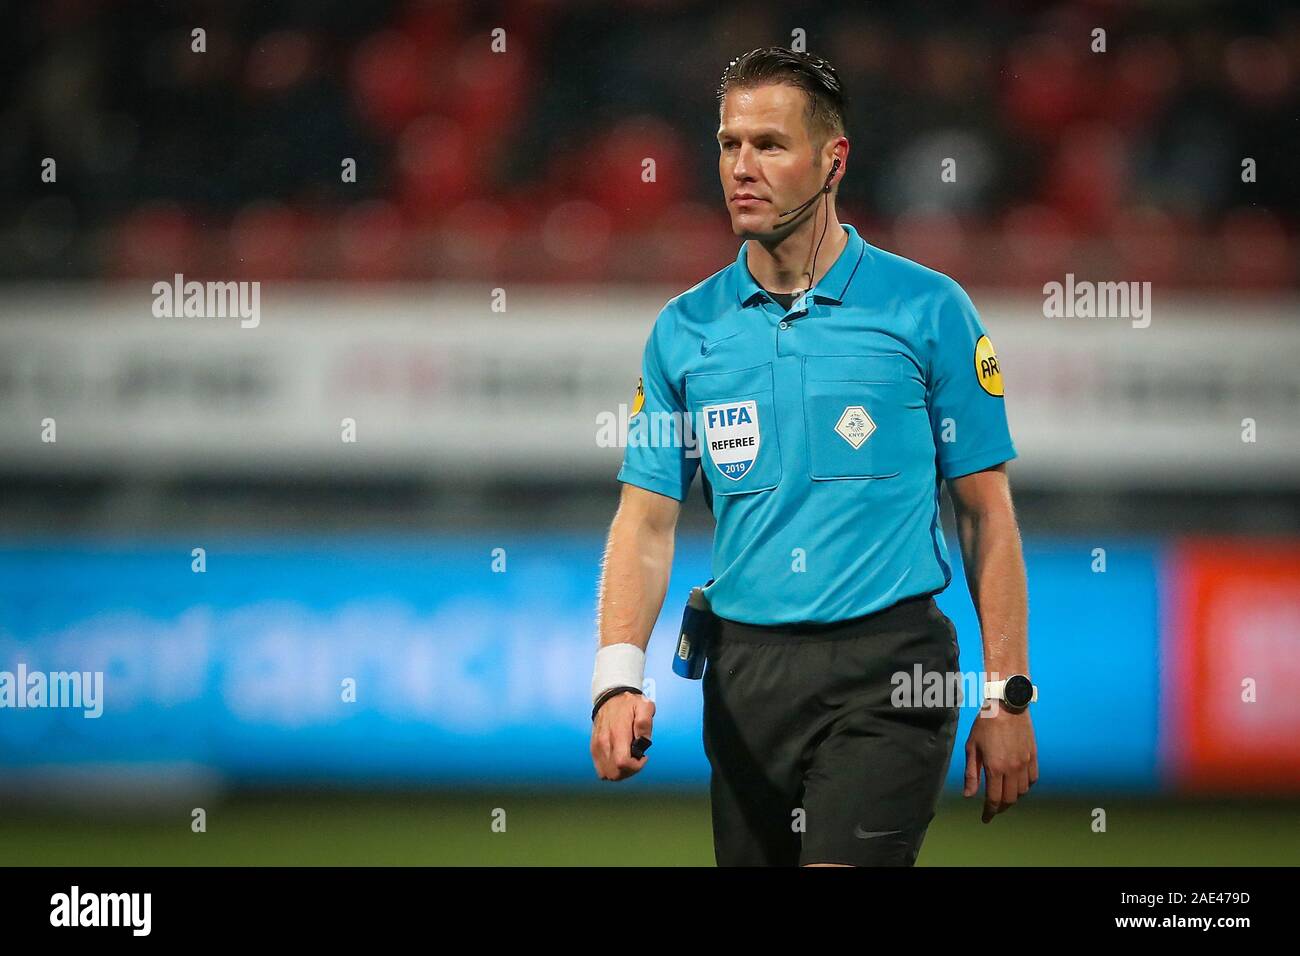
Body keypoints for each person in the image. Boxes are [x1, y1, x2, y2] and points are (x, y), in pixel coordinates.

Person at [590, 47, 1037, 866]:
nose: (741, 168)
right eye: (728, 144)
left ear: (833, 161)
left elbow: (986, 515)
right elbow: (646, 519)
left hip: (896, 671)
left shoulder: (928, 309)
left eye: (769, 144)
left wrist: (1006, 696)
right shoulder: (684, 331)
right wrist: (618, 676)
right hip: (745, 675)